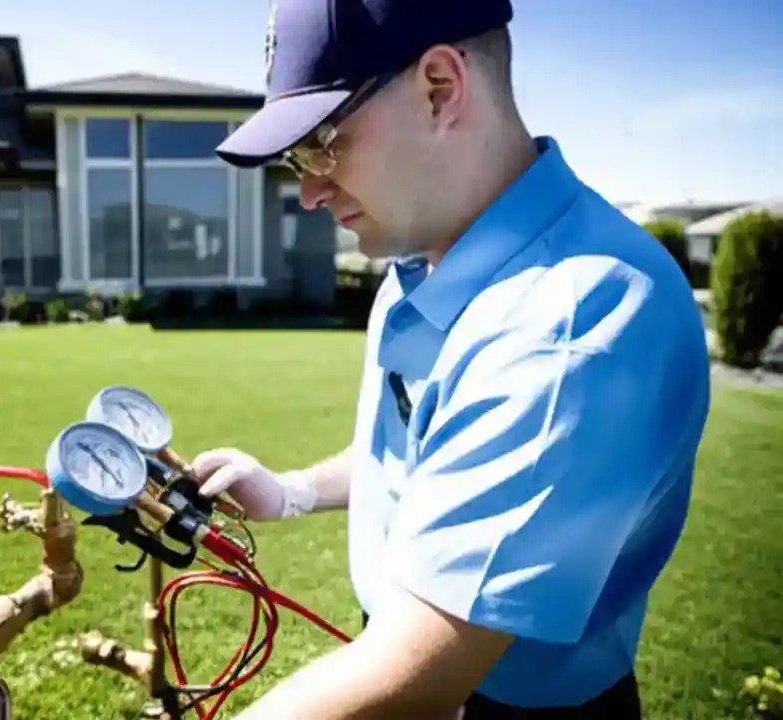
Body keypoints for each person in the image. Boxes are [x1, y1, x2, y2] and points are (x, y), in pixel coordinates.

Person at [194, 0, 712, 717]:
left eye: (323, 143)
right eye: (297, 158)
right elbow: (422, 453)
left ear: (440, 87)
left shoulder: (574, 320)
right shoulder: (425, 257)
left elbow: (416, 676)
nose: (309, 189)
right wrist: (290, 491)